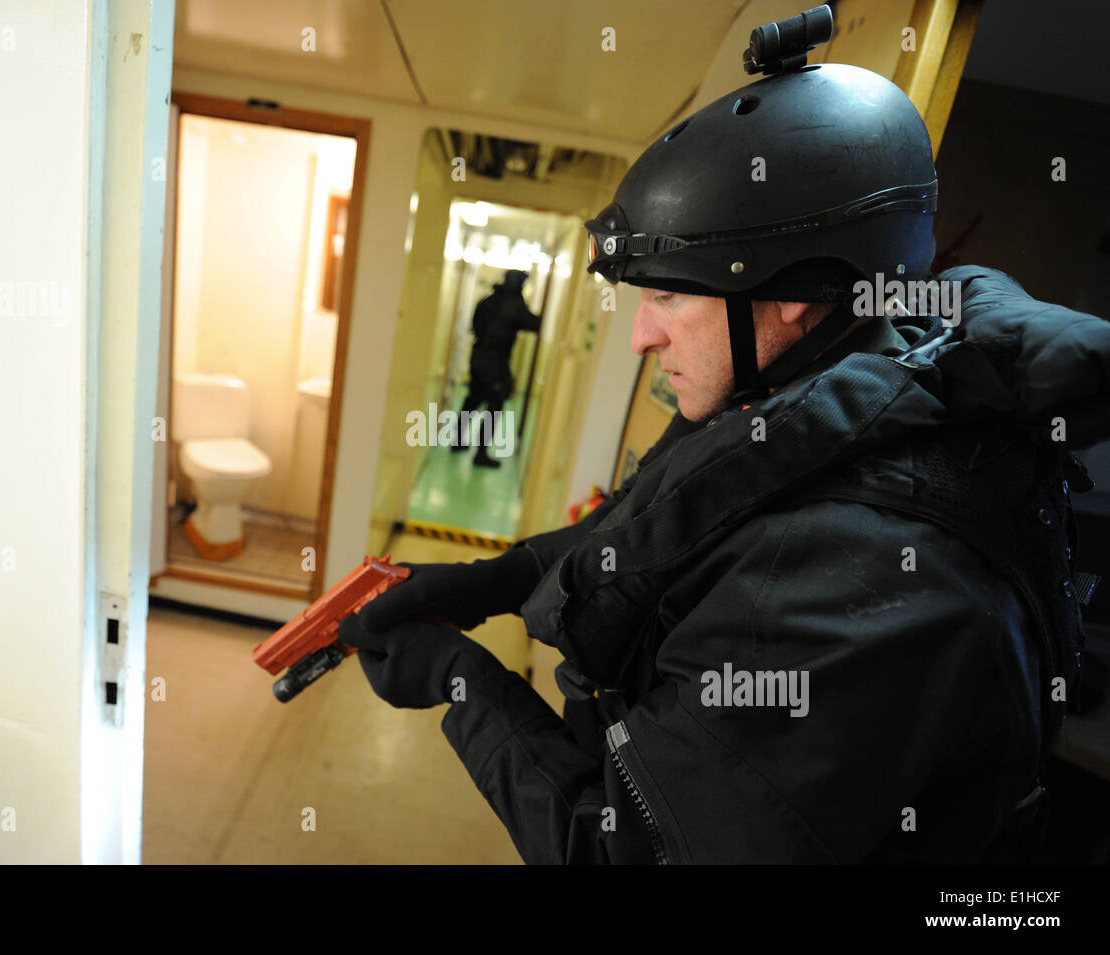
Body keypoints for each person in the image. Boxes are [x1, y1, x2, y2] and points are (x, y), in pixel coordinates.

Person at [337, 42, 1110, 862]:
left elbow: (622, 850)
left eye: (668, 295)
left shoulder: (870, 577)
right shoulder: (815, 388)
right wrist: (495, 578)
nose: (641, 335)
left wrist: (462, 682)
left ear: (788, 297)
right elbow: (665, 523)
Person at [453, 269, 541, 467]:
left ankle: (457, 441)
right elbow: (534, 324)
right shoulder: (515, 305)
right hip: (496, 361)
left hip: (477, 356)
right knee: (494, 407)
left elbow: (475, 325)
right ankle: (481, 454)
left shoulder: (487, 300)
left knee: (473, 400)